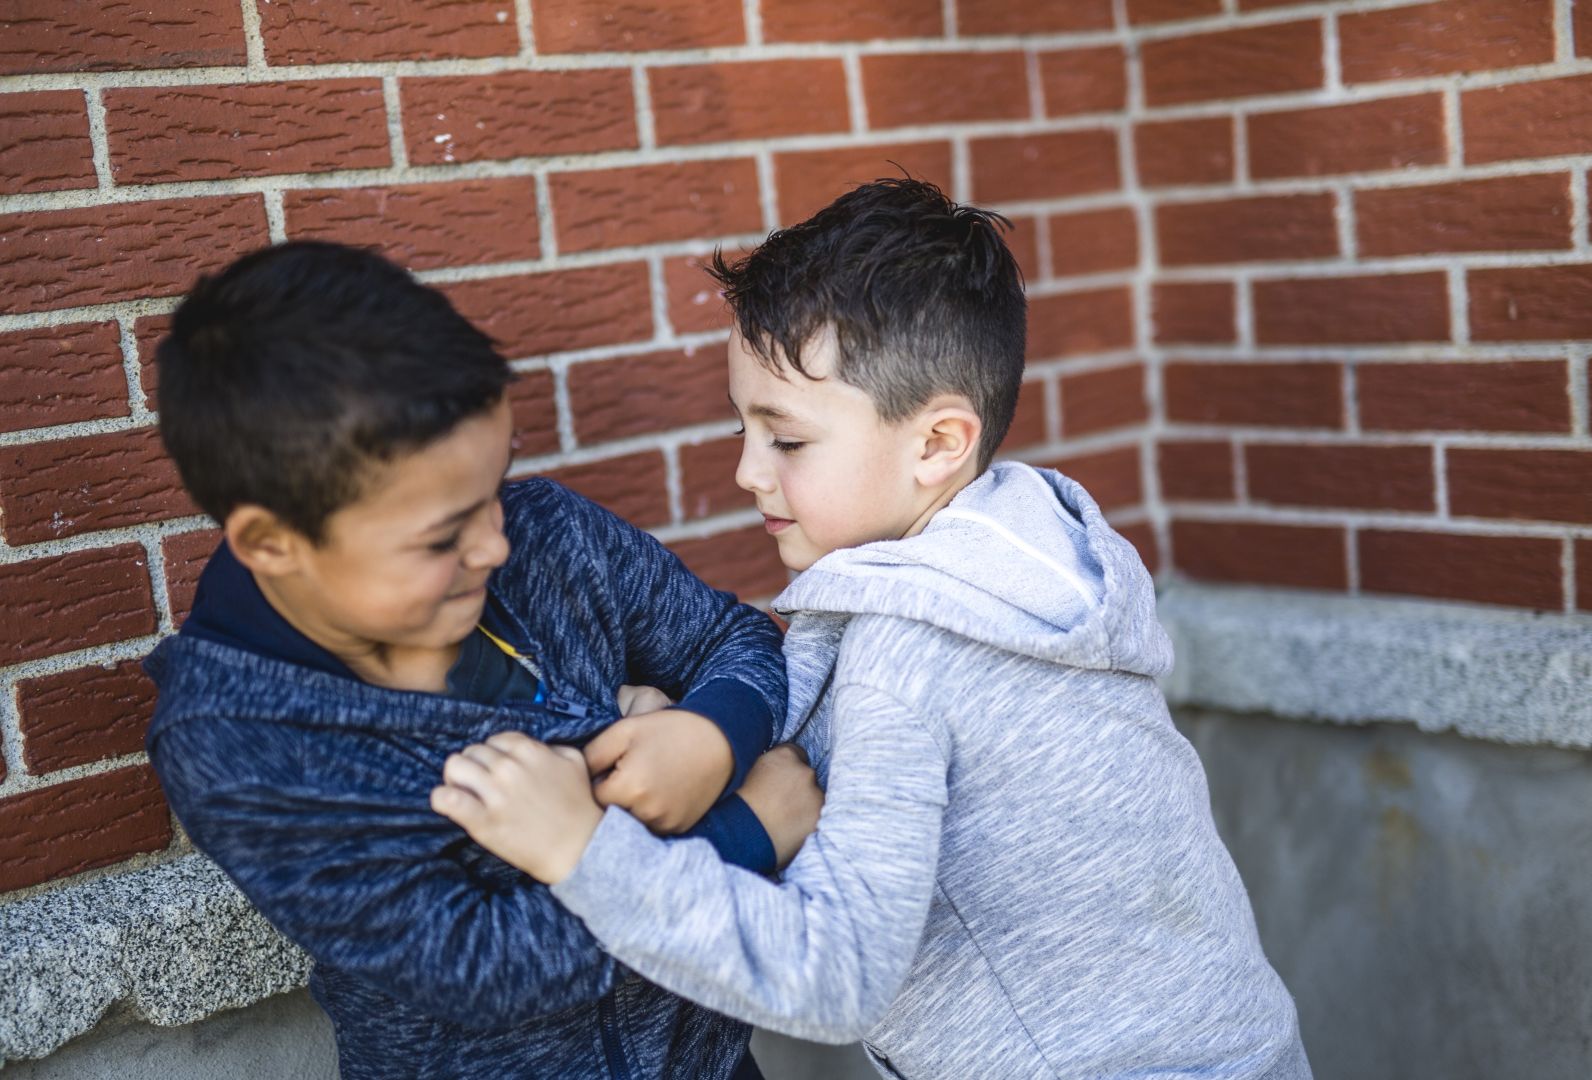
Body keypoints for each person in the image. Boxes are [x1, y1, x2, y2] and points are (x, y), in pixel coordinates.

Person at [433, 179, 1312, 1078]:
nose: (745, 471)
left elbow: (836, 974)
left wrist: (585, 852)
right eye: (743, 426)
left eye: (788, 440)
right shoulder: (1031, 557)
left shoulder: (907, 648)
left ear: (937, 443)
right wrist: (689, 717)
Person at [143, 241, 821, 1080]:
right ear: (272, 543)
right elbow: (486, 965)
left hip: (712, 1060)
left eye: (495, 486)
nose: (496, 543)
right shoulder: (239, 738)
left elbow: (737, 639)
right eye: (441, 535)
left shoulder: (549, 536)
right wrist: (745, 830)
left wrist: (710, 736)